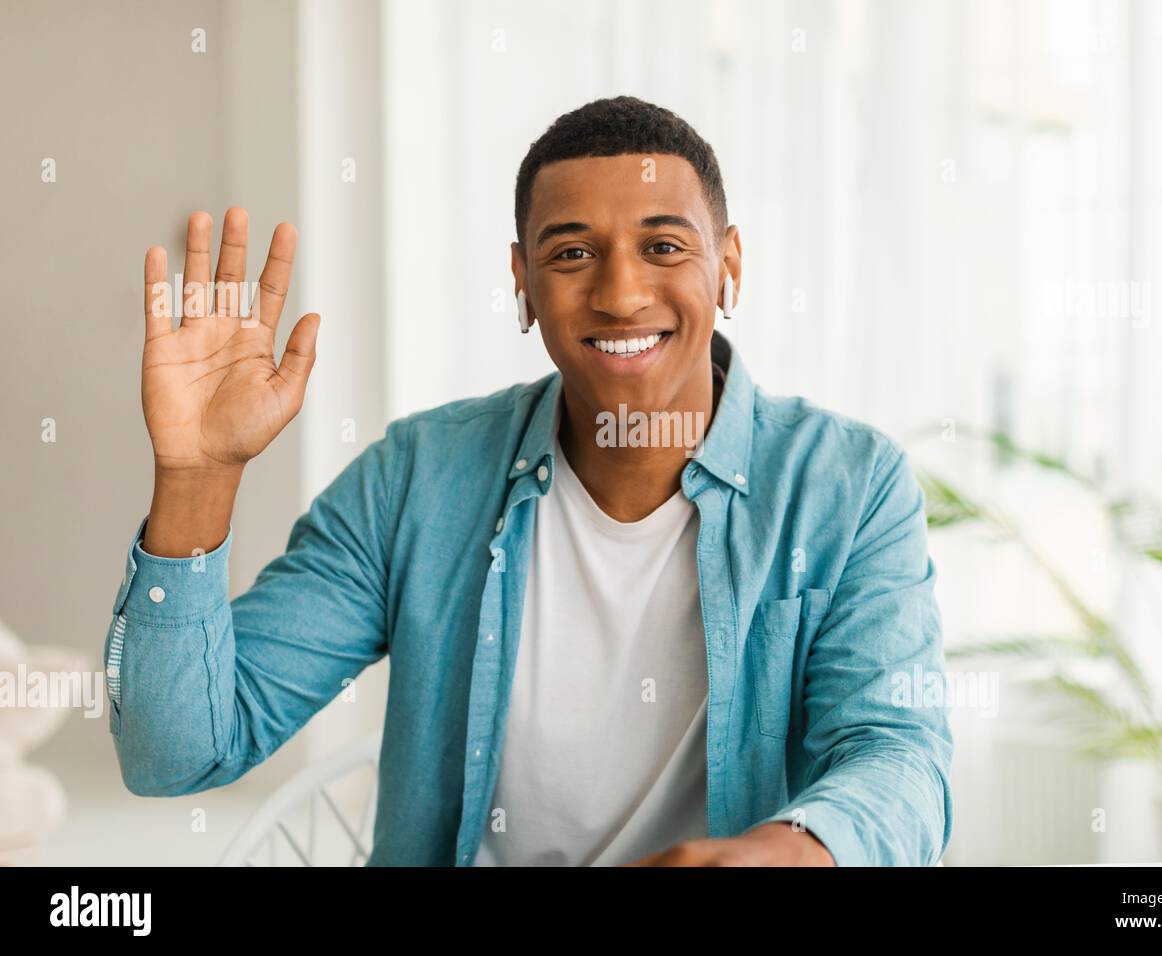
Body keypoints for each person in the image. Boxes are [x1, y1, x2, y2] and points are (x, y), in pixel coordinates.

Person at [107, 95, 952, 866]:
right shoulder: (417, 480)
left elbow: (899, 755)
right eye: (573, 252)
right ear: (523, 283)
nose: (621, 294)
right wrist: (198, 476)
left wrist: (789, 853)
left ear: (728, 265)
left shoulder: (849, 485)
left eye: (664, 246)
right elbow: (174, 754)